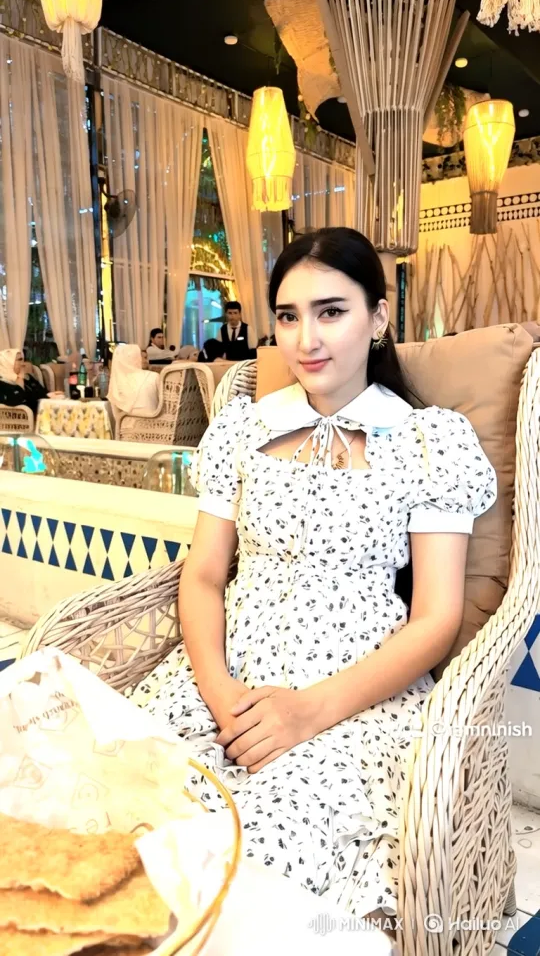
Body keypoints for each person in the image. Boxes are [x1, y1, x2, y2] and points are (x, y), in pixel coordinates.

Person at [131, 228, 496, 926]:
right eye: (290, 316)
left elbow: (436, 618)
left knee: (259, 864)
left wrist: (308, 712)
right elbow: (204, 575)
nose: (306, 339)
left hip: (351, 695)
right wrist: (221, 693)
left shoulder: (428, 441)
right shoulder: (243, 427)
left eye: (331, 311)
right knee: (131, 816)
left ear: (379, 318)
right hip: (222, 673)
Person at [108, 344, 160, 423]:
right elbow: (165, 406)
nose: (147, 361)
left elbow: (117, 417)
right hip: (154, 428)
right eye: (143, 357)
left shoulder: (116, 383)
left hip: (126, 431)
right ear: (135, 359)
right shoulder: (153, 376)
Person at [0, 349, 48, 416]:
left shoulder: (26, 377)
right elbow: (17, 404)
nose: (23, 364)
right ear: (7, 362)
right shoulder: (2, 383)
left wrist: (51, 396)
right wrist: (20, 385)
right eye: (19, 360)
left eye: (22, 360)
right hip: (19, 422)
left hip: (39, 414)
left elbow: (43, 393)